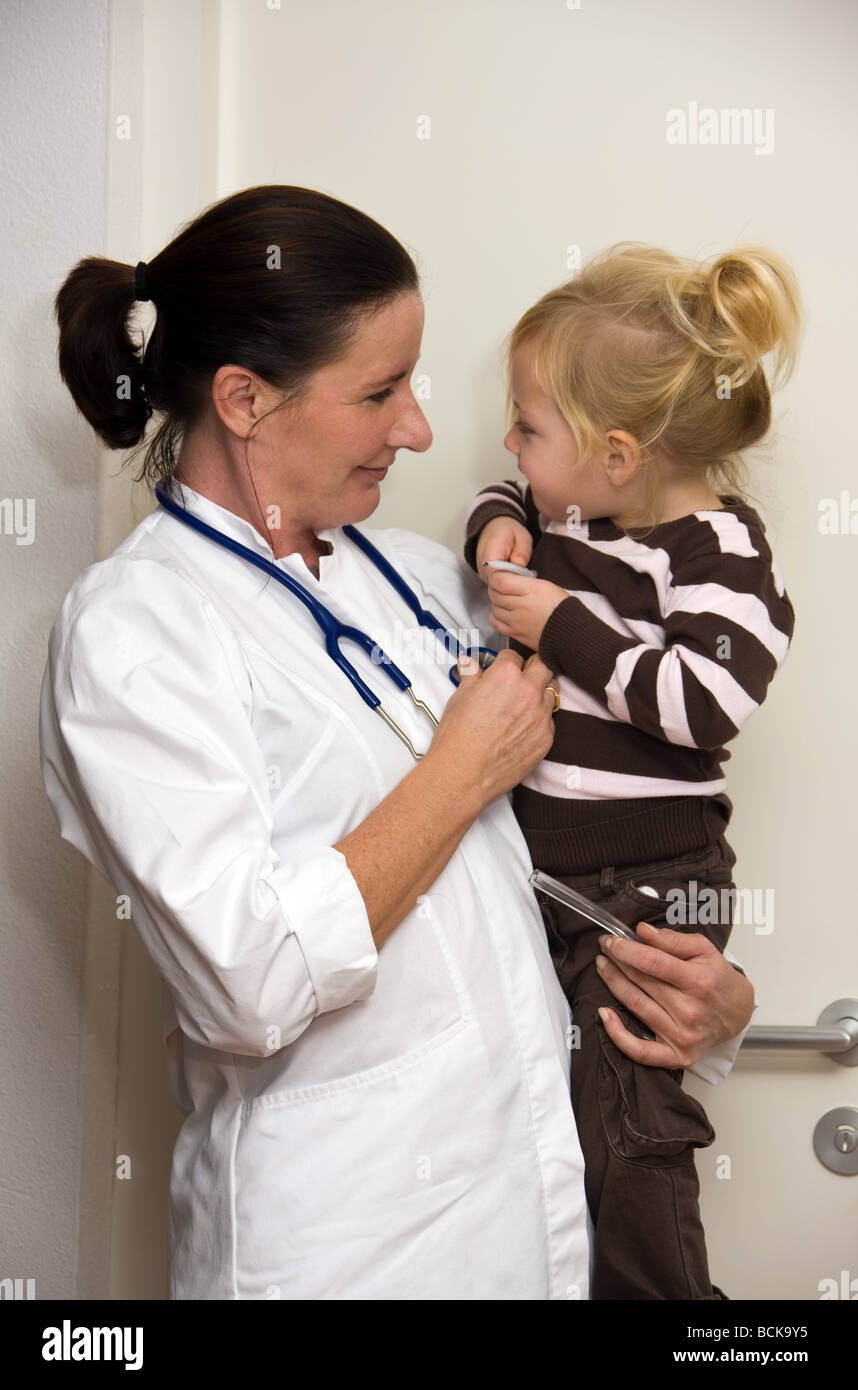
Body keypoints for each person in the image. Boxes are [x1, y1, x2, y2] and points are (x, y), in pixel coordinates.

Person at [39, 189, 756, 1300]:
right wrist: (460, 770)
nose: (420, 428)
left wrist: (711, 1008)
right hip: (343, 1249)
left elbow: (568, 837)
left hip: (531, 1226)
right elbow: (245, 983)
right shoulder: (135, 633)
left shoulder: (427, 578)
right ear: (243, 400)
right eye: (380, 391)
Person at [464, 241, 799, 1299]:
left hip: (652, 882)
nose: (508, 440)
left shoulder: (719, 558)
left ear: (615, 453)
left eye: (527, 422)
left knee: (629, 1126)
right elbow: (496, 490)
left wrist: (564, 626)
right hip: (552, 876)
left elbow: (702, 705)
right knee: (551, 1127)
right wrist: (499, 522)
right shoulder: (566, 513)